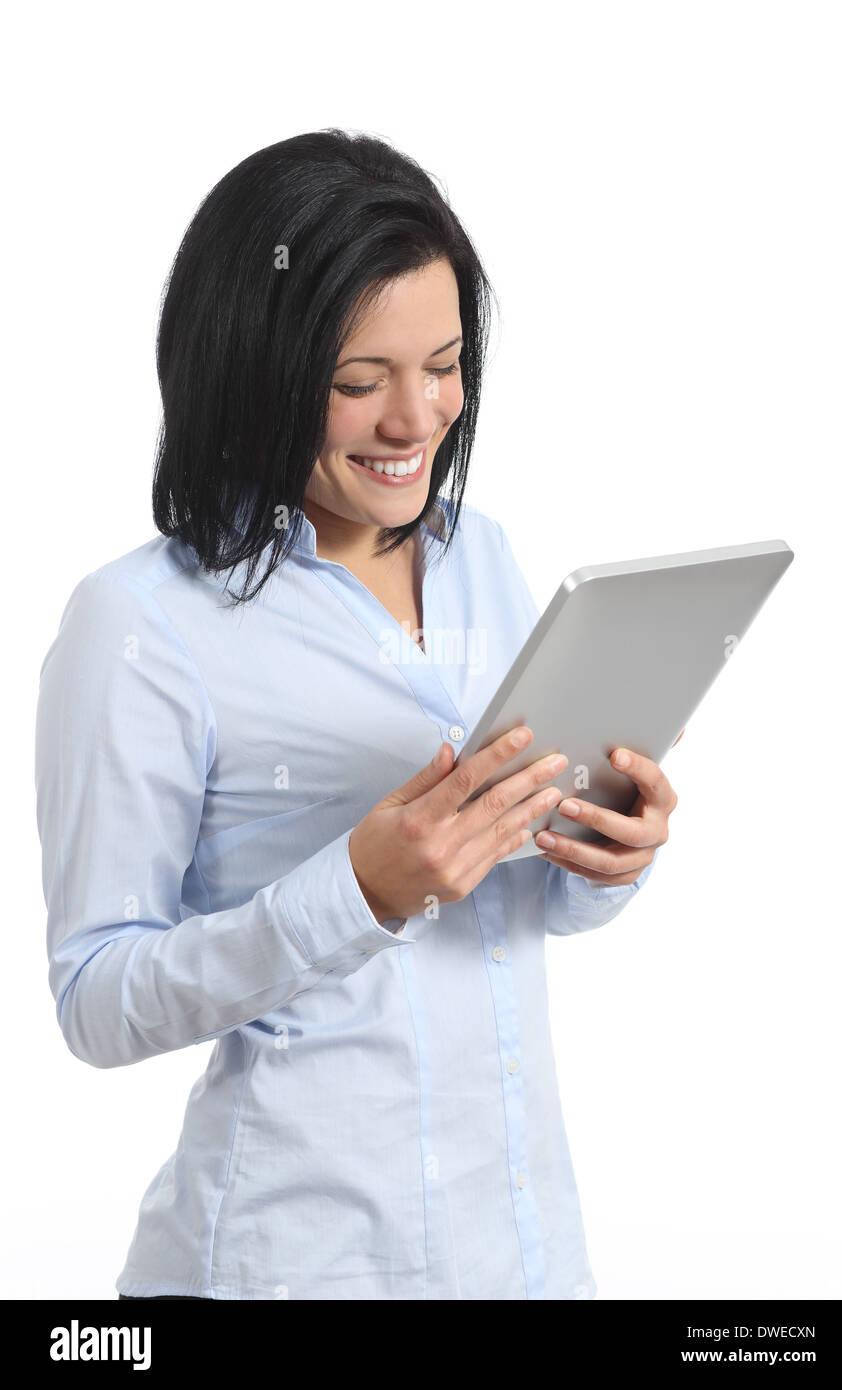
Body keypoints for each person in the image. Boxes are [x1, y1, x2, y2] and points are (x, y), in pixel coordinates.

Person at [35, 129, 677, 1301]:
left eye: (441, 364)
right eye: (355, 381)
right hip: (294, 1264)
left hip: (522, 1254)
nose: (414, 418)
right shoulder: (138, 623)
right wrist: (360, 890)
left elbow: (514, 910)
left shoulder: (480, 556)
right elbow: (96, 998)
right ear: (253, 370)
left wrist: (600, 851)